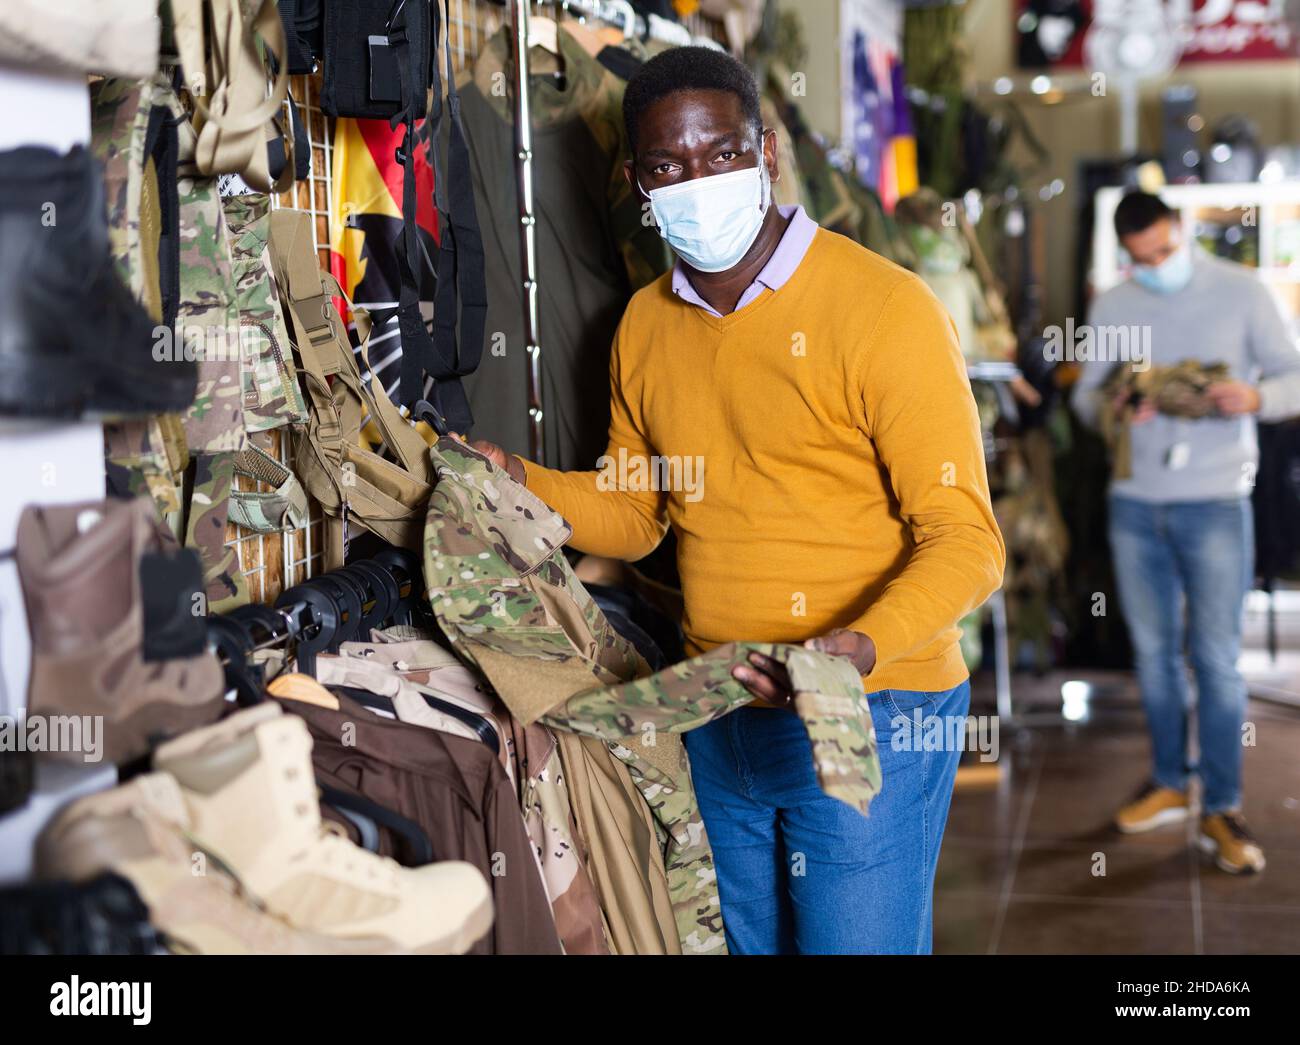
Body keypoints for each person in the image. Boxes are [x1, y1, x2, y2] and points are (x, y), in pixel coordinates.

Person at [472, 46, 1005, 953]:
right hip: (716, 705)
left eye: (721, 153)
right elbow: (638, 512)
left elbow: (966, 540)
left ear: (763, 150)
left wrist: (857, 647)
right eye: (668, 166)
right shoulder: (643, 325)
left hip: (873, 706)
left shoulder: (885, 309)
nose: (699, 180)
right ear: (638, 180)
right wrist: (514, 481)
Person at [1074, 190, 1300, 874]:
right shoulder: (1114, 304)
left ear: (1182, 231)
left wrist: (1256, 398)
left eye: (1165, 252)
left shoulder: (1242, 291)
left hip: (1214, 501)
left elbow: (1295, 376)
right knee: (1153, 656)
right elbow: (1085, 398)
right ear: (1126, 256)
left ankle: (1223, 803)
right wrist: (1114, 407)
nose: (1156, 266)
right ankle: (1170, 779)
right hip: (1135, 504)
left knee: (1218, 661)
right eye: (1142, 260)